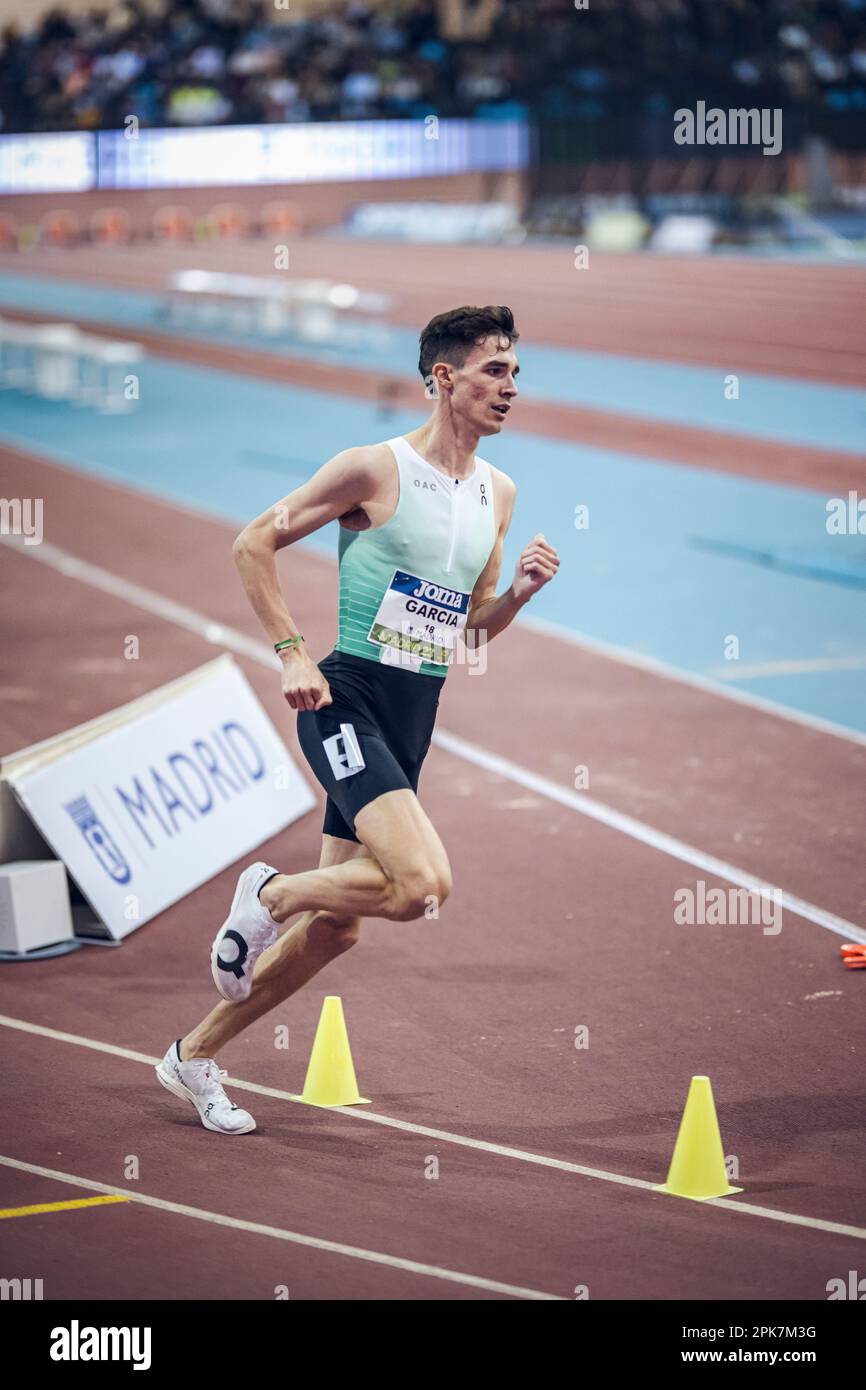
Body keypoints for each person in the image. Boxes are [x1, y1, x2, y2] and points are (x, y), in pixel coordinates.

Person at [155, 304, 559, 1132]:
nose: (511, 387)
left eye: (516, 372)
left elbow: (469, 628)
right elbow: (251, 543)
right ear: (443, 378)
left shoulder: (498, 493)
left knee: (338, 929)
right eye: (494, 370)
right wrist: (293, 652)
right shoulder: (373, 470)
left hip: (415, 715)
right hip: (348, 699)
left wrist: (518, 593)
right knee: (420, 888)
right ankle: (268, 895)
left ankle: (191, 1057)